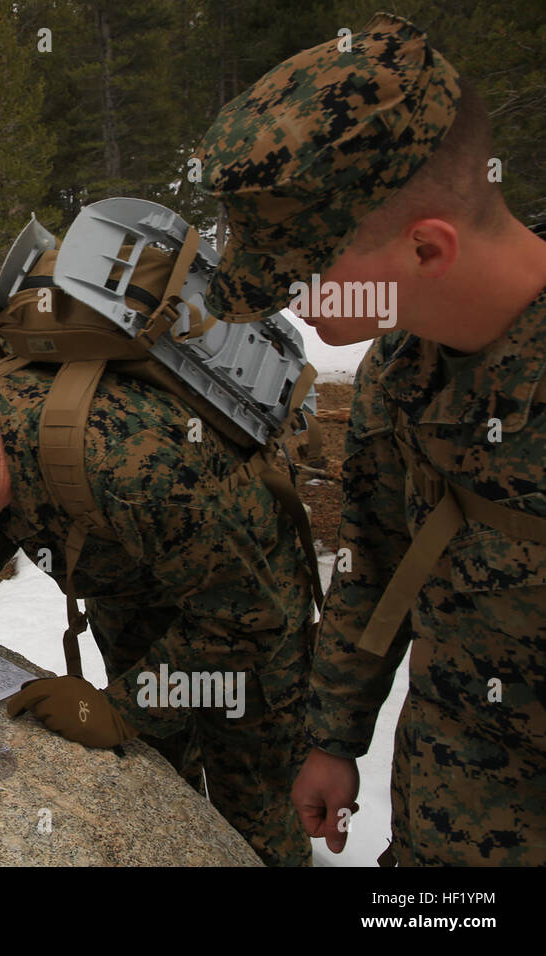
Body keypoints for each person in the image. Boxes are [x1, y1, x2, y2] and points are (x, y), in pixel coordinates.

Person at [0, 256, 319, 866]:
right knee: (163, 780)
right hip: (135, 579)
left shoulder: (135, 469)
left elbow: (248, 618)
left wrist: (123, 708)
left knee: (252, 811)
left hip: (246, 604)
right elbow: (14, 503)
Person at [196, 12, 546, 865]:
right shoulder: (401, 371)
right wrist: (334, 737)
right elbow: (378, 559)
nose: (280, 296)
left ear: (427, 248)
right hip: (443, 813)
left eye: (299, 271)